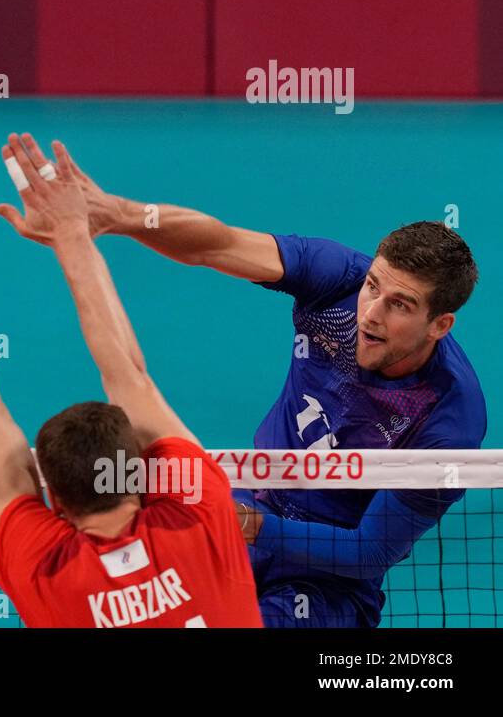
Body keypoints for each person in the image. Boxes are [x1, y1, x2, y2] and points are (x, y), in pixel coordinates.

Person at [36, 144, 486, 626]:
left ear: (440, 325)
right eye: (374, 286)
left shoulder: (448, 419)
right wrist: (118, 214)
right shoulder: (339, 281)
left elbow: (369, 551)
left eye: (401, 304)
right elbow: (218, 244)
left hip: (326, 579)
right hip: (249, 502)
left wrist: (255, 528)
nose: (371, 314)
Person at [0, 135, 261, 627]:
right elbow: (130, 377)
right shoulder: (200, 512)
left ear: (54, 502)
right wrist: (71, 232)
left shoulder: (45, 568)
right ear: (140, 477)